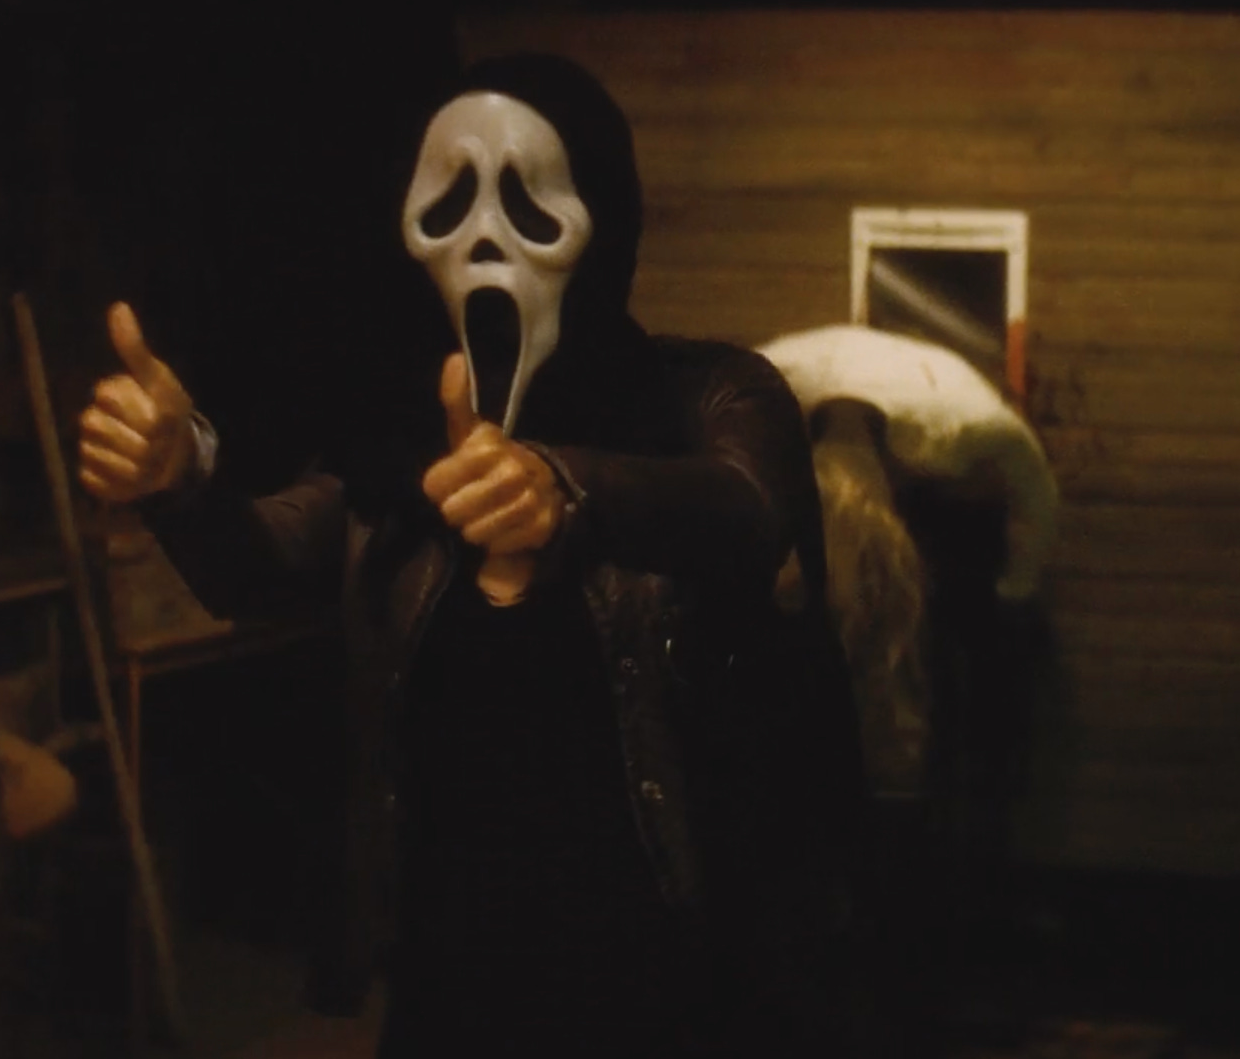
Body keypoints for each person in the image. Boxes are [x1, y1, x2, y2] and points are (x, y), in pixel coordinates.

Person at [78, 54, 868, 1056]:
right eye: (447, 205)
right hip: (453, 983)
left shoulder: (705, 394)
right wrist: (178, 473)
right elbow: (257, 560)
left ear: (603, 218)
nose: (486, 241)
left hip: (669, 979)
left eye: (530, 205)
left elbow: (748, 507)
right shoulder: (406, 451)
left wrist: (565, 489)